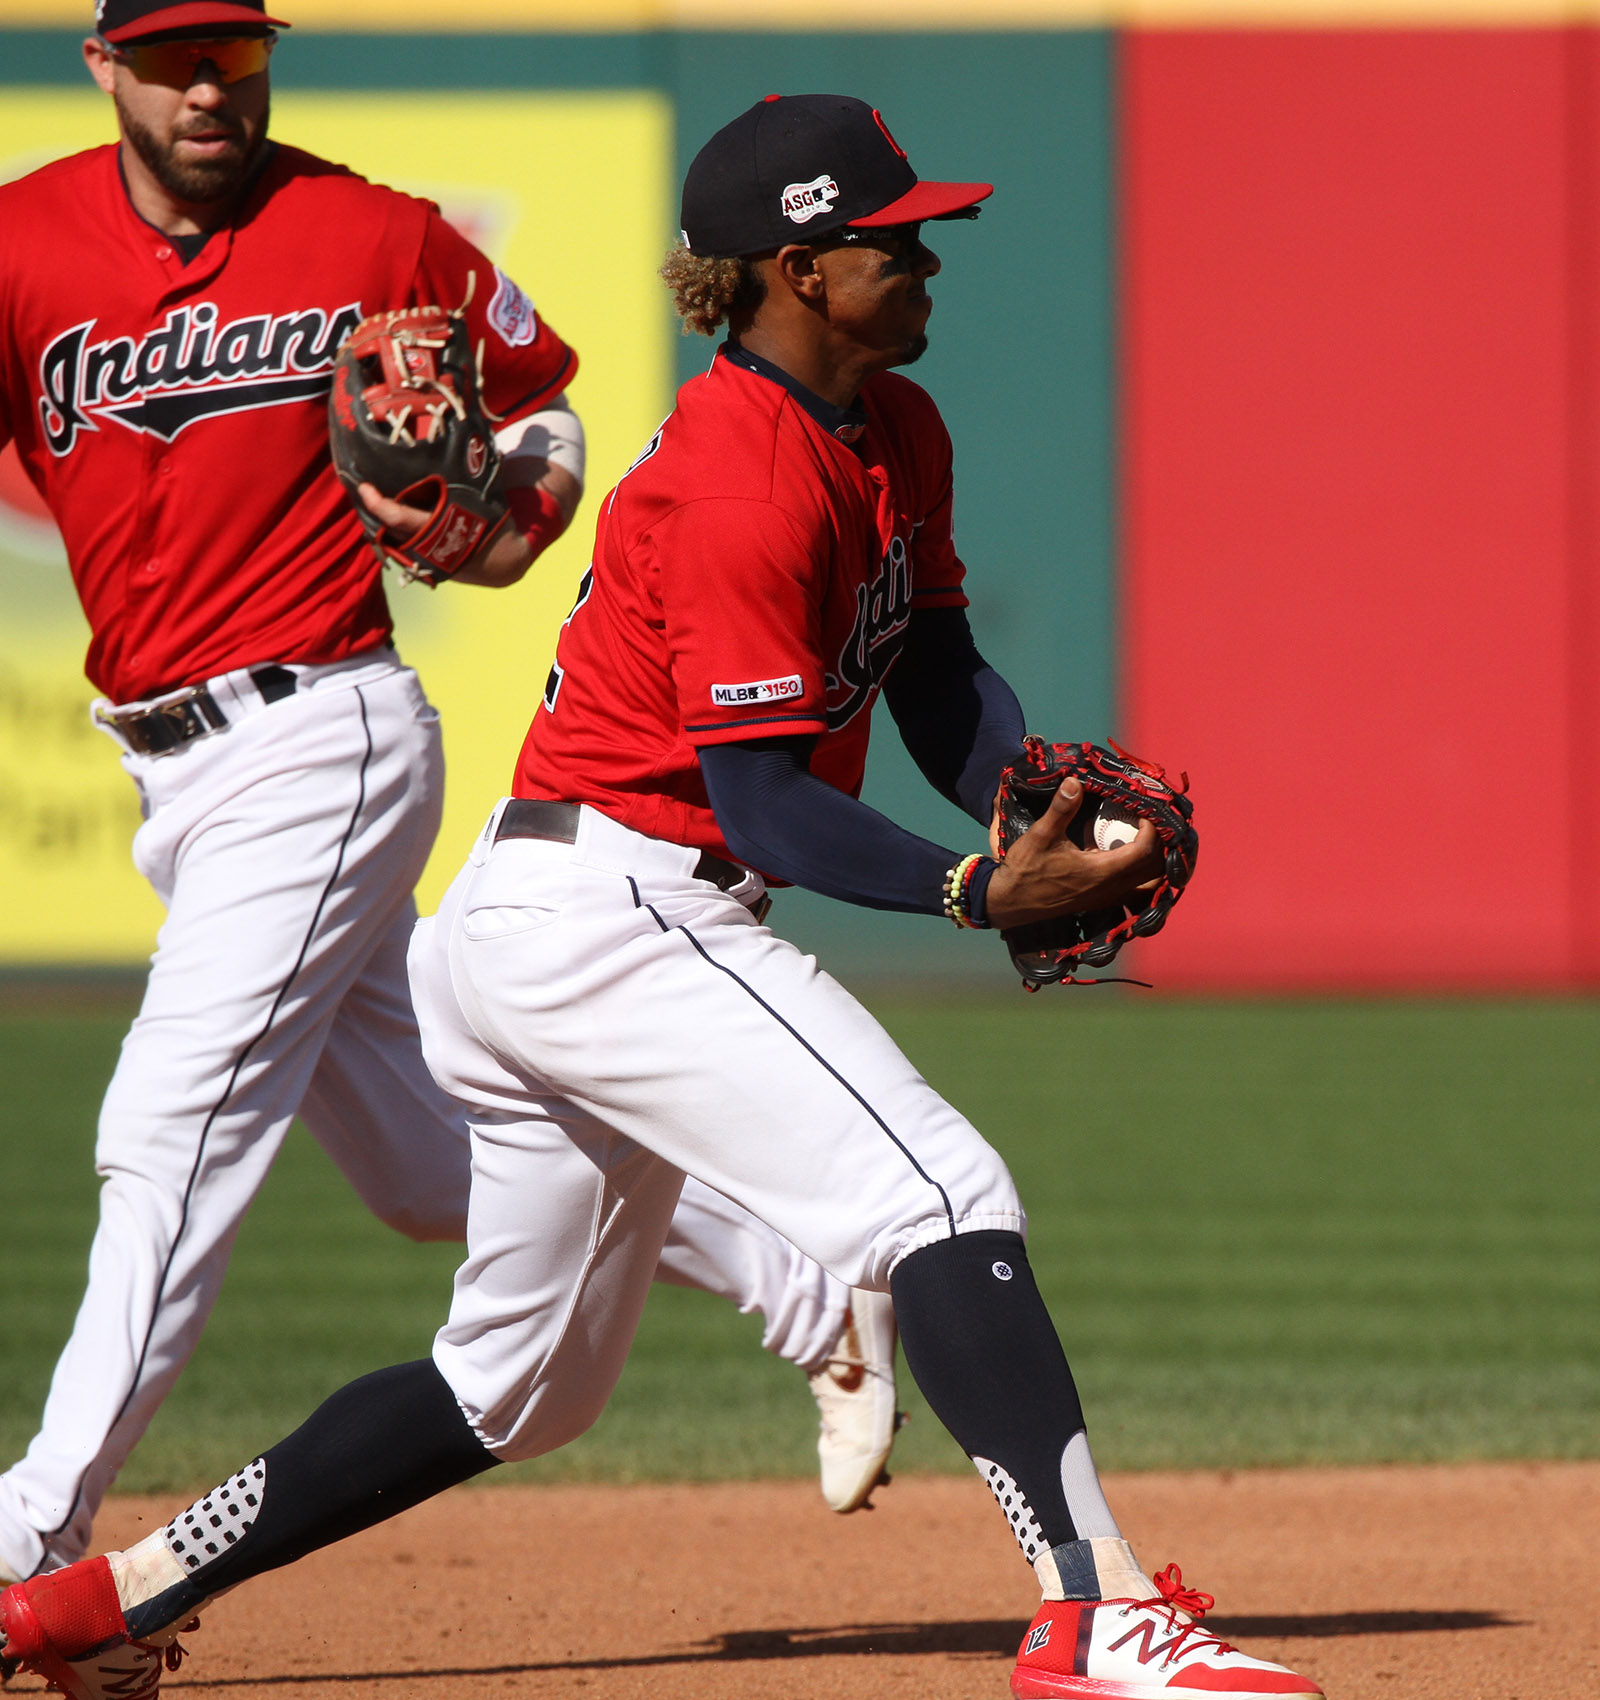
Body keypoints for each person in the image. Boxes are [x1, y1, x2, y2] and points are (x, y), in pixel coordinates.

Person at [0, 94, 1325, 1700]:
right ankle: (1095, 1612)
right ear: (800, 270)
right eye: (895, 241)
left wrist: (1029, 803)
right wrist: (978, 890)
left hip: (553, 920)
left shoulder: (895, 429)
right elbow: (765, 801)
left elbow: (930, 669)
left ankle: (97, 1599)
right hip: (610, 915)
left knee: (513, 1392)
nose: (928, 262)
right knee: (942, 1198)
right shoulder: (739, 482)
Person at [0, 7, 903, 1591]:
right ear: (104, 66)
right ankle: (810, 1283)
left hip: (321, 731)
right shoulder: (22, 245)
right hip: (170, 762)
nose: (209, 83)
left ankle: (33, 1537)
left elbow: (544, 403)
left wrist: (507, 513)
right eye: (173, 55)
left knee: (169, 1125)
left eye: (235, 52)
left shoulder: (370, 233)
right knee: (435, 1171)